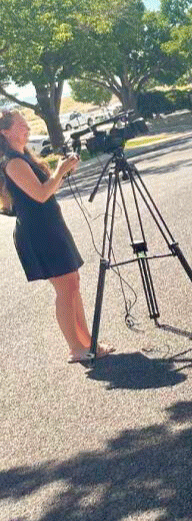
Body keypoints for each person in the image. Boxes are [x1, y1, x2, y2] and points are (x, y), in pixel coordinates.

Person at [1, 110, 113, 363]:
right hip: (38, 232)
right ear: (5, 132)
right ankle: (76, 348)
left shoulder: (23, 157)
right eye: (21, 125)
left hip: (50, 226)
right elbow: (40, 194)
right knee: (65, 287)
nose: (27, 128)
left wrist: (65, 171)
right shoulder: (12, 162)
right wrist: (60, 170)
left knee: (72, 284)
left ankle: (88, 342)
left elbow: (47, 190)